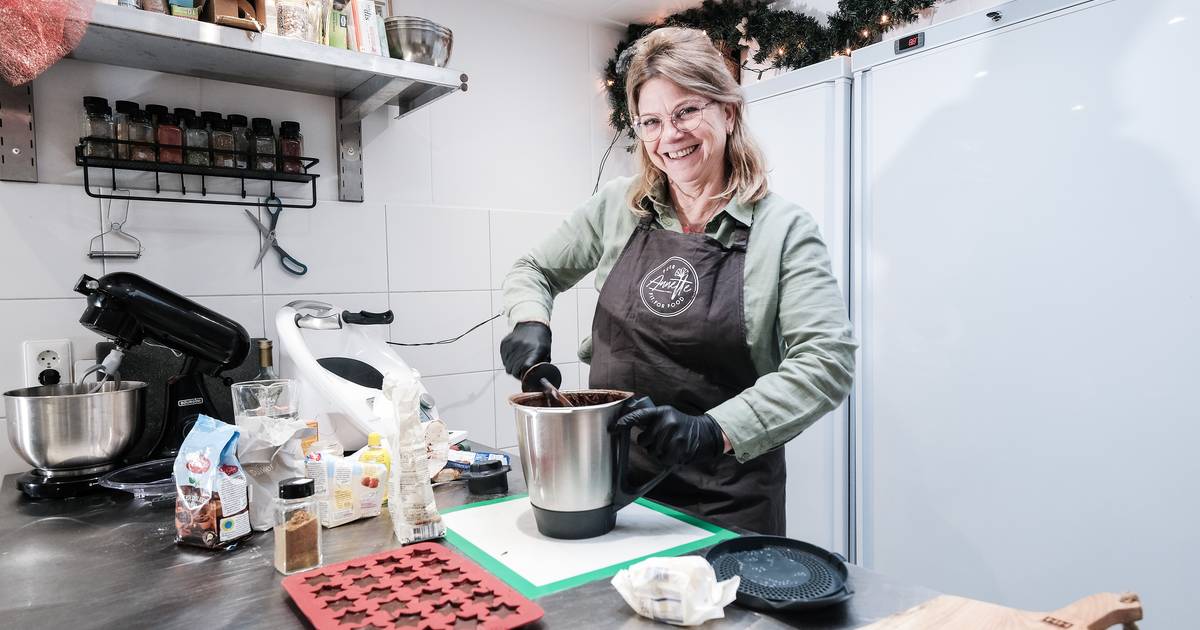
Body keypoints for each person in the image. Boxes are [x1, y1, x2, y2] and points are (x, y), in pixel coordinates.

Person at [499, 27, 856, 535]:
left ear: (727, 112)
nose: (670, 136)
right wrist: (529, 320)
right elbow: (532, 269)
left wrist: (713, 431)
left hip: (727, 499)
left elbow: (827, 362)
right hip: (612, 488)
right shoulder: (618, 206)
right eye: (651, 121)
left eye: (687, 111)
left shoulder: (783, 230)